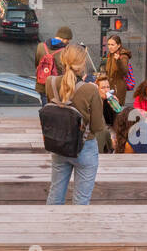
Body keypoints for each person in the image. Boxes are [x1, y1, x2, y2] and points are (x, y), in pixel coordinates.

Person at [44, 45, 105, 205]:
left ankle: (51, 227)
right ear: (82, 64)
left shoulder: (50, 83)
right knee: (81, 201)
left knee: (55, 195)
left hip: (58, 143)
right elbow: (98, 126)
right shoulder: (90, 90)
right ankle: (77, 229)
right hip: (85, 147)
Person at [33, 26, 73, 106]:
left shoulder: (40, 46)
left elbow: (37, 64)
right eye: (68, 40)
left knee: (46, 109)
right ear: (64, 38)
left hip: (42, 84)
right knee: (57, 110)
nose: (68, 42)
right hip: (57, 87)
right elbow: (65, 70)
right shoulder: (65, 51)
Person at [103, 34, 134, 99]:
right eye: (108, 44)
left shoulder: (123, 56)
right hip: (110, 87)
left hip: (117, 89)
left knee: (116, 107)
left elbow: (125, 71)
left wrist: (118, 61)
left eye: (112, 45)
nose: (110, 47)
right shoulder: (111, 54)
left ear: (119, 45)